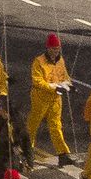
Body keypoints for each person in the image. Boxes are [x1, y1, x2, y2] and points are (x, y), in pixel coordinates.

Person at [28, 33, 74, 166]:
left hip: (55, 99)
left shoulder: (60, 60)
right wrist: (53, 88)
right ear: (48, 48)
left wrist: (70, 85)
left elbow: (64, 76)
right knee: (33, 125)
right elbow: (37, 81)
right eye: (53, 48)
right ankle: (27, 151)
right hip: (40, 98)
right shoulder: (39, 61)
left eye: (58, 48)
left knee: (56, 126)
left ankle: (63, 153)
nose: (56, 51)